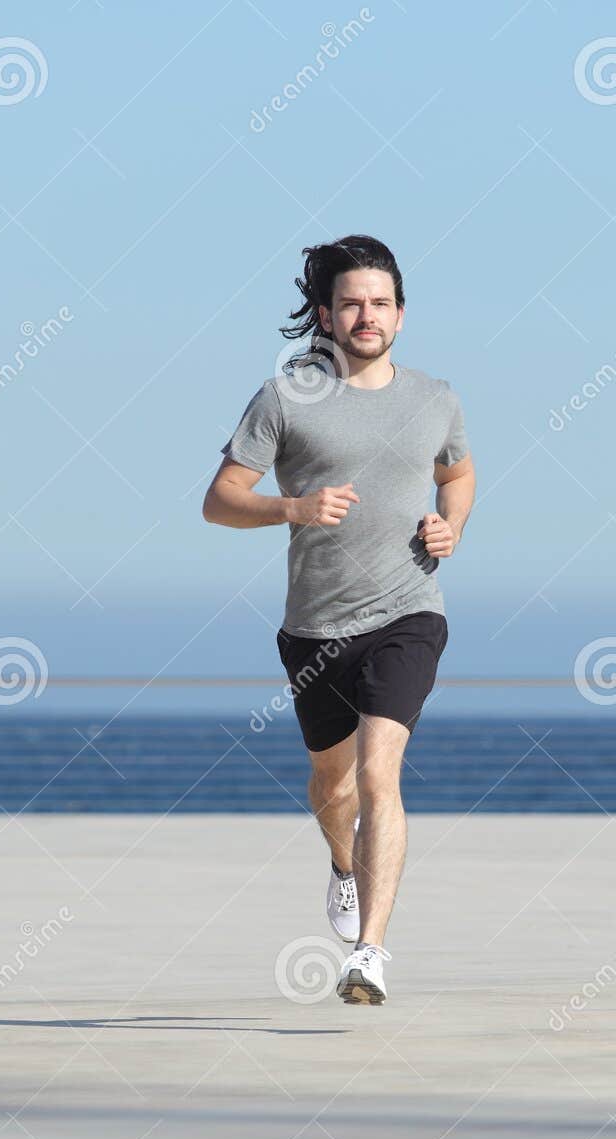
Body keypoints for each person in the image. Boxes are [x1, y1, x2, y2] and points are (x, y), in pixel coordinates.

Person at [203, 234, 476, 1004]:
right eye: (352, 302)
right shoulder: (285, 396)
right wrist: (293, 506)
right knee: (332, 784)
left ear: (400, 314)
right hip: (315, 629)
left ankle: (369, 953)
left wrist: (449, 524)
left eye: (381, 302)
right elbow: (218, 501)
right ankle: (340, 865)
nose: (367, 315)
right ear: (325, 313)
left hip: (408, 612)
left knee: (377, 772)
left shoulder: (435, 398)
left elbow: (457, 473)